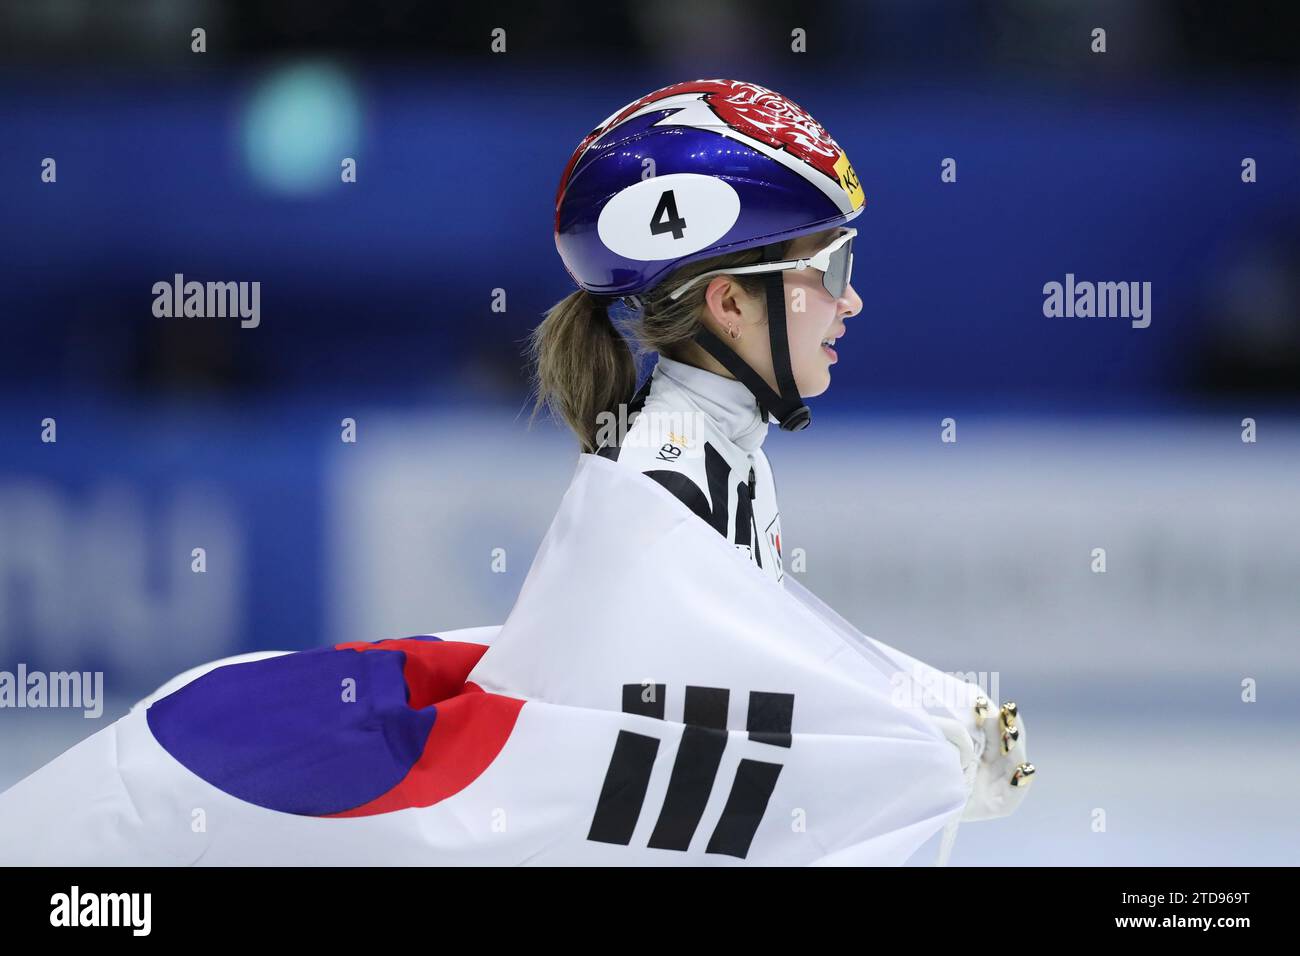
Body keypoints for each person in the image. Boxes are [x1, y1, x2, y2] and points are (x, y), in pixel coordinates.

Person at [0, 80, 1032, 867]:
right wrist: (917, 731)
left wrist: (924, 707)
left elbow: (734, 670)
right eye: (831, 271)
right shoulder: (662, 482)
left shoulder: (709, 458)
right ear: (729, 301)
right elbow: (644, 737)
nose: (850, 303)